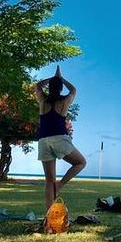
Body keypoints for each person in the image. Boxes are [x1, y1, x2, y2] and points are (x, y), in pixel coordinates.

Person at [35, 65, 86, 211]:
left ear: (49, 87)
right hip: (60, 139)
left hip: (43, 141)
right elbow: (74, 90)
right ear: (61, 88)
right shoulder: (63, 102)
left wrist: (53, 78)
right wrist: (61, 79)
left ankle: (49, 216)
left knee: (49, 181)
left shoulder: (42, 101)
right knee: (81, 162)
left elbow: (38, 86)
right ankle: (61, 184)